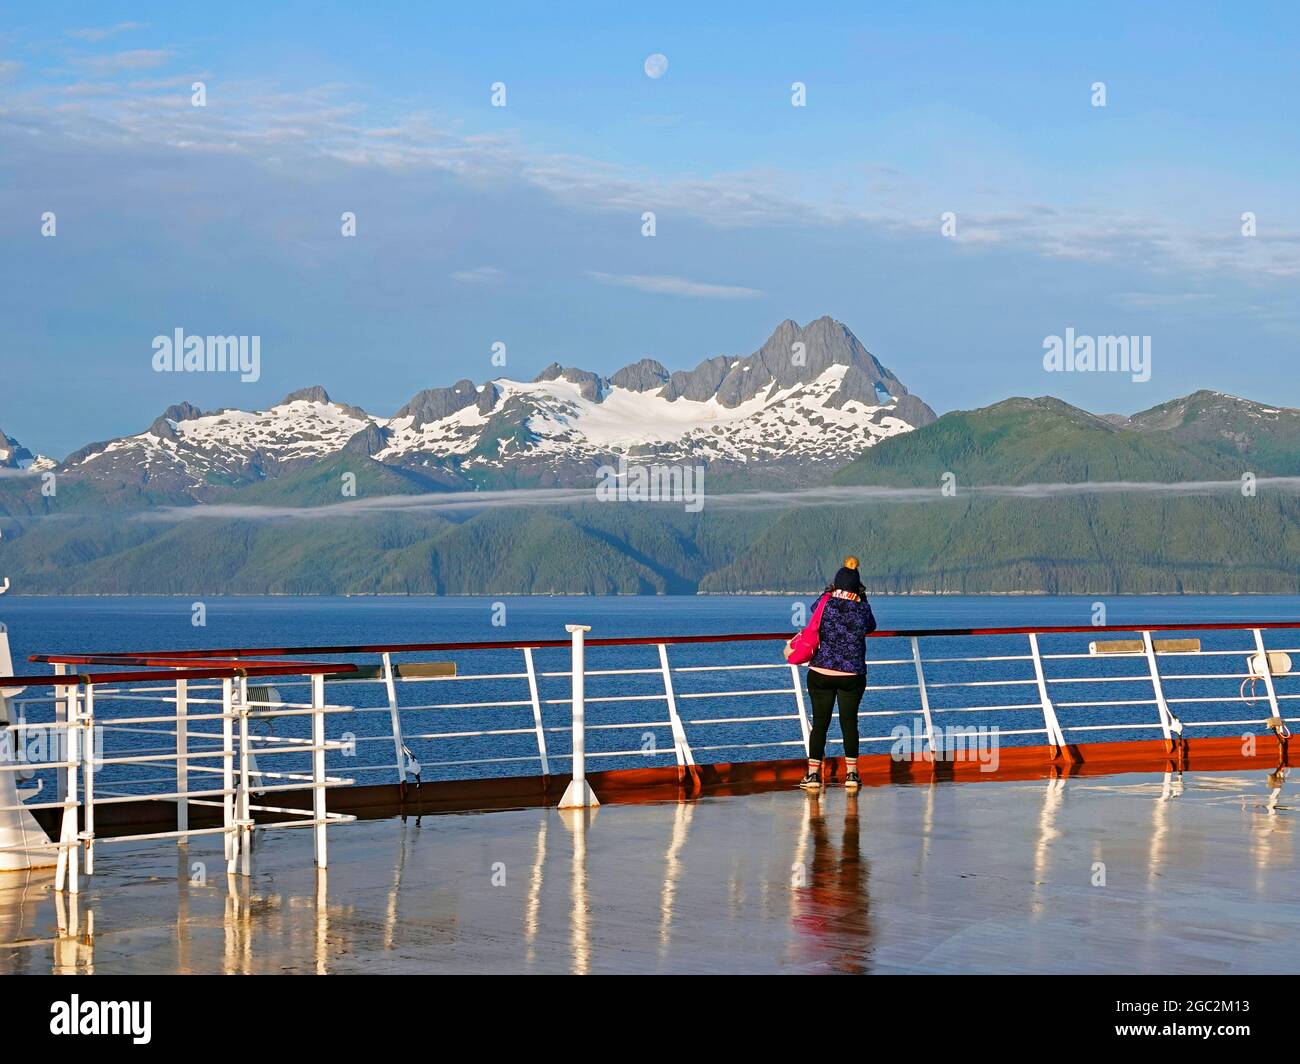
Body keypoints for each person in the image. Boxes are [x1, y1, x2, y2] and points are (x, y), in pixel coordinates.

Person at [788, 556, 876, 790]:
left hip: (821, 672)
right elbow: (872, 626)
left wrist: (830, 592)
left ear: (835, 584)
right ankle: (852, 775)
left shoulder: (825, 603)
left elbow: (814, 609)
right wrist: (860, 597)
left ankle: (813, 775)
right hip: (852, 674)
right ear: (857, 586)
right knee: (849, 724)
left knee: (820, 724)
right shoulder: (861, 607)